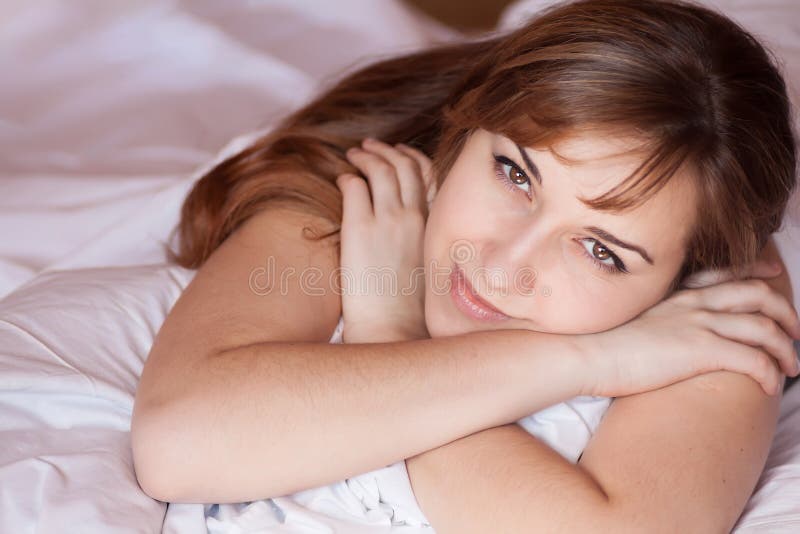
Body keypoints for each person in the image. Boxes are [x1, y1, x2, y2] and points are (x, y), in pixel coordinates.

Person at [131, 0, 800, 530]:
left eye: (600, 250)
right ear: (465, 127)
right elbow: (177, 441)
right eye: (514, 173)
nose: (505, 266)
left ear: (690, 278)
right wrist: (596, 359)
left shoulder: (722, 301)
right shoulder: (365, 199)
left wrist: (389, 335)